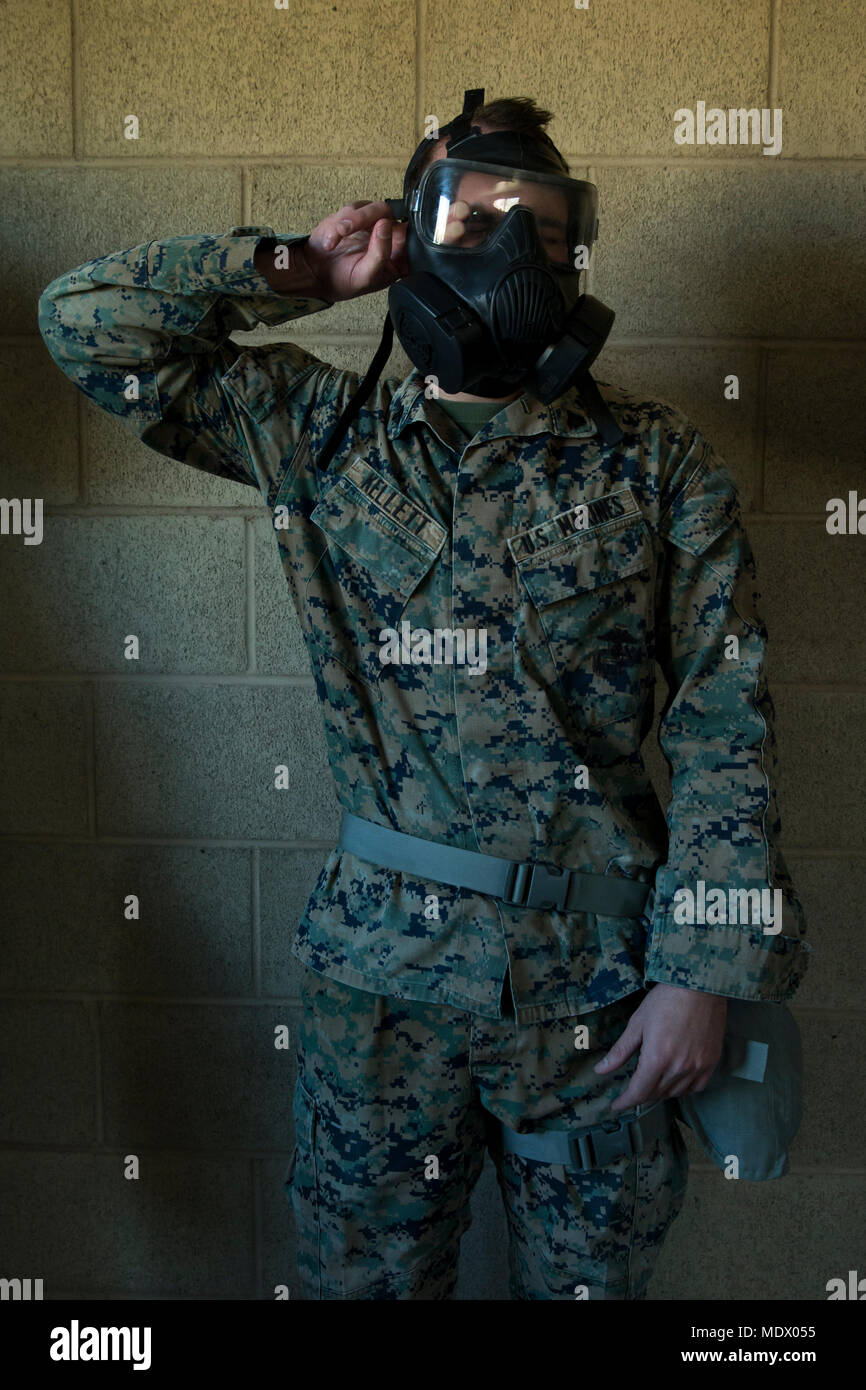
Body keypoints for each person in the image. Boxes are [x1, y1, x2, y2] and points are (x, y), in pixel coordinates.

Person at [38, 92, 810, 1301]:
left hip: (601, 998)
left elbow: (726, 727)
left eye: (543, 222)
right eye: (471, 210)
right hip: (379, 996)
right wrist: (294, 269)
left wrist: (701, 971)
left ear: (575, 247)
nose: (511, 244)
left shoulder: (655, 465)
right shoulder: (320, 431)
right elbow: (83, 323)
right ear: (406, 229)